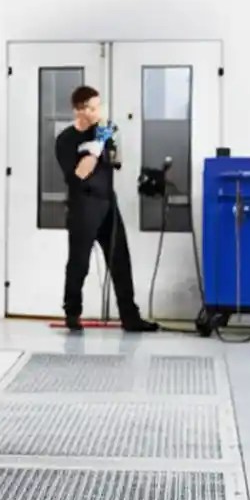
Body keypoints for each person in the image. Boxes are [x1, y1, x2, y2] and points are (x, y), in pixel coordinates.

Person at [54, 86, 160, 333]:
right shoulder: (66, 140)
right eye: (91, 108)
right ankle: (72, 314)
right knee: (79, 262)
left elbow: (116, 161)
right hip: (83, 205)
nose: (96, 112)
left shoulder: (101, 131)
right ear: (78, 110)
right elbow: (80, 172)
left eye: (98, 107)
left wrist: (109, 140)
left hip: (107, 203)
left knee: (120, 259)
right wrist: (97, 144)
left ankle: (130, 317)